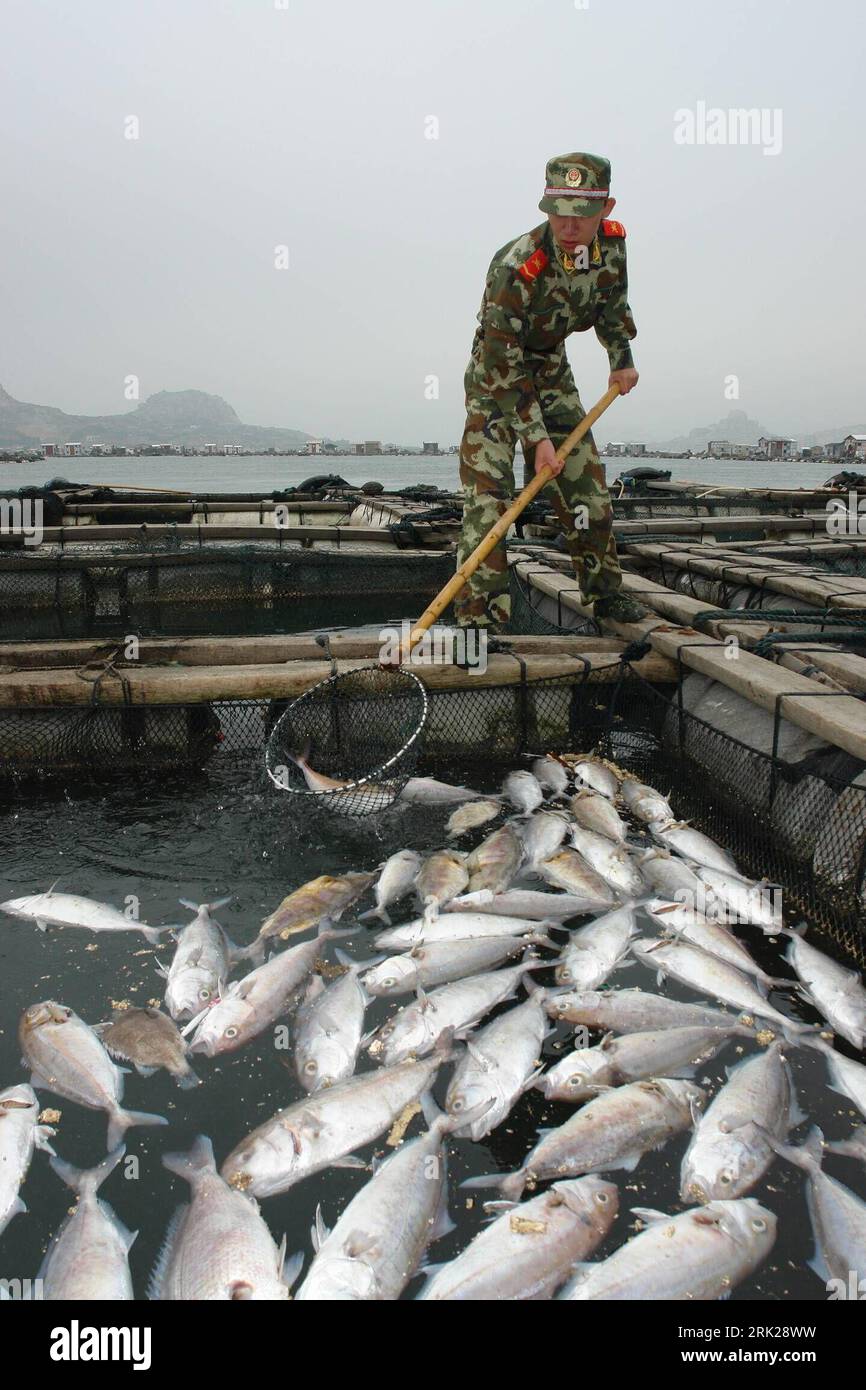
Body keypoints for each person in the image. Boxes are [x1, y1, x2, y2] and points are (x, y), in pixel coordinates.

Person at [454, 151, 649, 633]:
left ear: (606, 209)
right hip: (496, 379)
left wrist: (620, 360)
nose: (568, 226)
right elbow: (502, 359)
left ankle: (604, 595)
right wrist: (538, 441)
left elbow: (612, 306)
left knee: (586, 486)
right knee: (488, 501)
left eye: (581, 215)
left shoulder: (614, 247)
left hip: (551, 369)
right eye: (558, 212)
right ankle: (478, 626)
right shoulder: (517, 265)